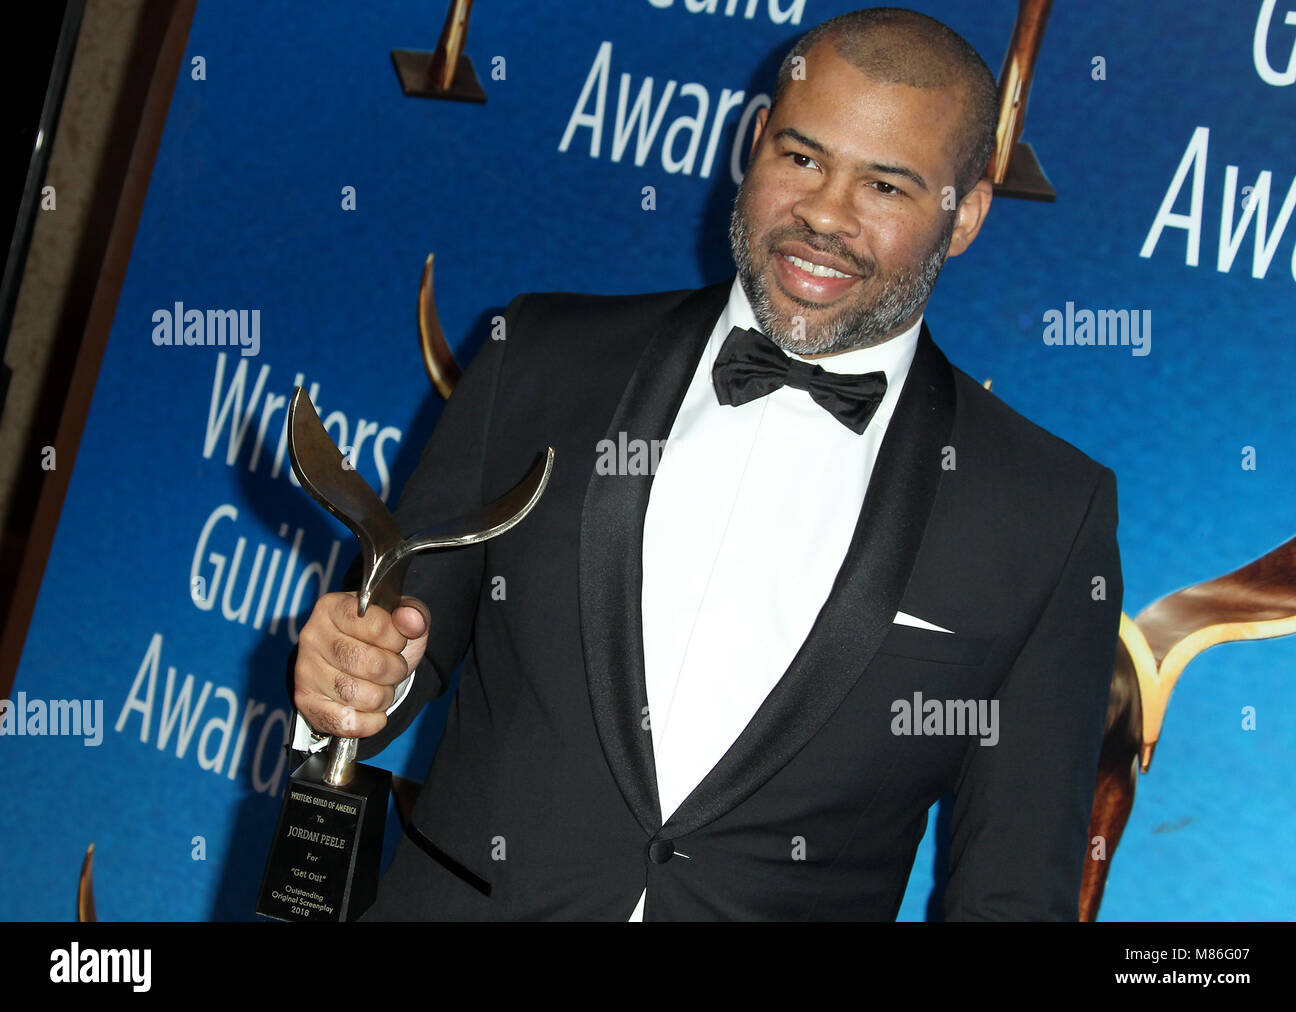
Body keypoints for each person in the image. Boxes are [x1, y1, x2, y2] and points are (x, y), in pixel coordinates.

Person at [288, 7, 1123, 920]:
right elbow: (411, 637)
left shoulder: (1045, 513)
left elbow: (1013, 888)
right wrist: (358, 676)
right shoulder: (537, 358)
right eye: (802, 158)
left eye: (886, 187)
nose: (824, 216)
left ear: (963, 217)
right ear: (755, 141)